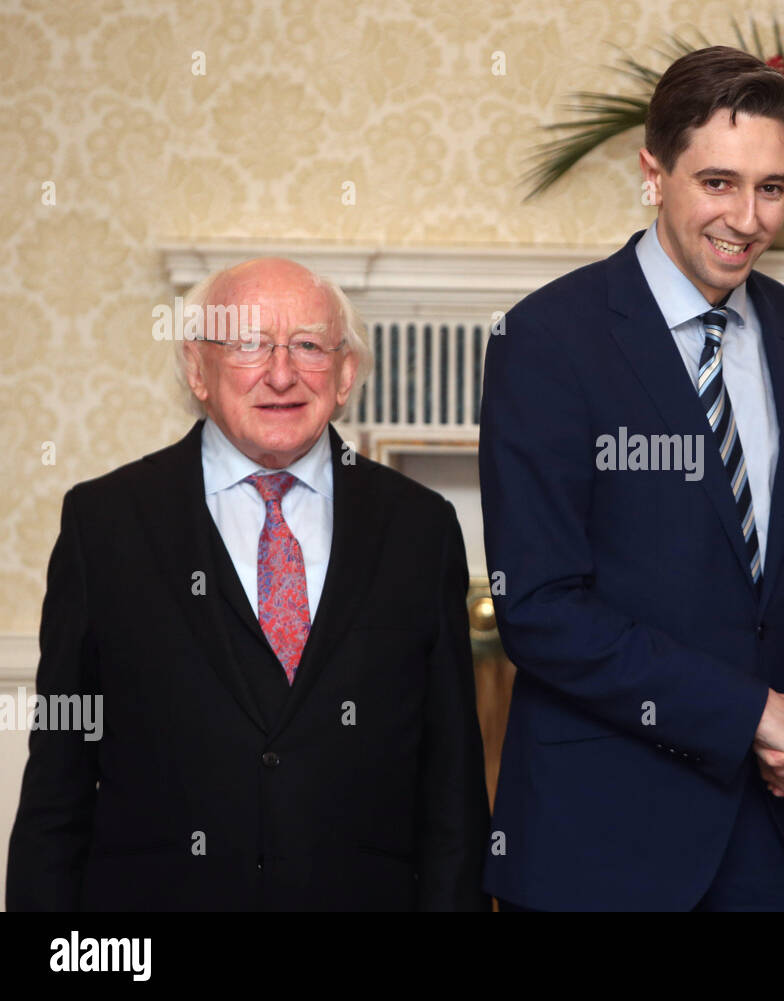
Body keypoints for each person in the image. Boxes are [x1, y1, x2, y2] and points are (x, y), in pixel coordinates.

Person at [479, 46, 784, 911]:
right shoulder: (547, 339)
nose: (747, 218)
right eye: (718, 182)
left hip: (770, 838)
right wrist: (755, 711)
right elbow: (539, 607)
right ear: (653, 173)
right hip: (600, 845)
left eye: (772, 188)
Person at [7, 257, 489, 911]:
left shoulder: (421, 529)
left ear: (345, 373)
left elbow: (451, 786)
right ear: (196, 369)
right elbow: (57, 787)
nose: (281, 373)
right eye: (247, 344)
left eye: (308, 345)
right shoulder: (106, 524)